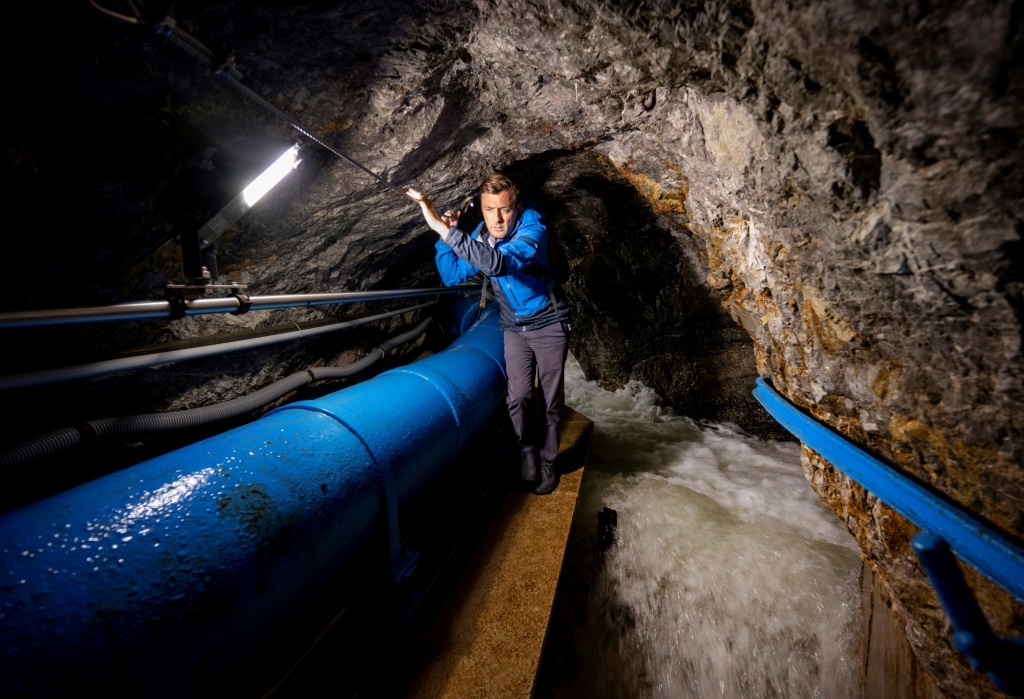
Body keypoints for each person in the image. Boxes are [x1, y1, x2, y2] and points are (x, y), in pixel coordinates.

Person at [407, 174, 571, 495]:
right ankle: (527, 450)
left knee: (550, 400)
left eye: (505, 210)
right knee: (518, 396)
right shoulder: (484, 236)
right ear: (481, 210)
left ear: (517, 208)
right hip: (514, 326)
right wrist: (446, 237)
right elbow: (452, 275)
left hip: (549, 324)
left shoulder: (533, 231)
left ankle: (548, 459)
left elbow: (498, 264)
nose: (497, 219)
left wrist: (444, 229)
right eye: (489, 209)